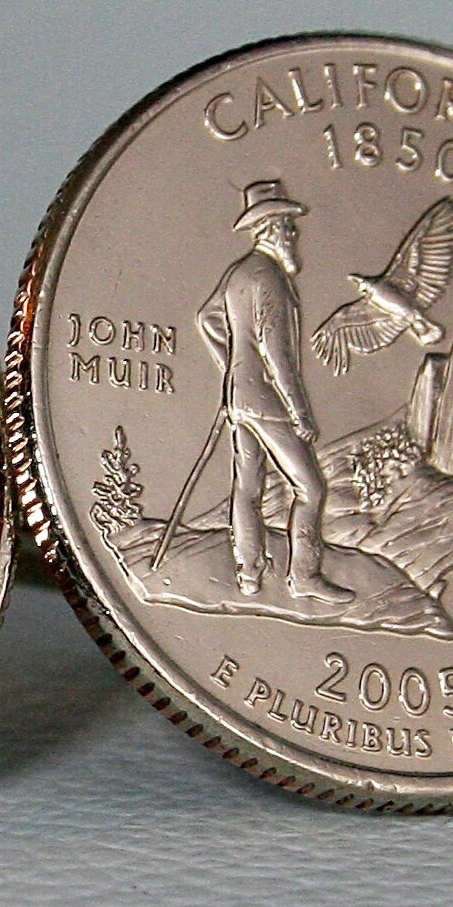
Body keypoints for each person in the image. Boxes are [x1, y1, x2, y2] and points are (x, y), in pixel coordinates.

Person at [198, 182, 350, 604]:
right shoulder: (271, 279)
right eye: (289, 226)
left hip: (239, 398)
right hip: (268, 401)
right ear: (271, 229)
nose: (294, 235)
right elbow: (276, 353)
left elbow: (207, 319)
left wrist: (232, 368)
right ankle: (304, 576)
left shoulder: (239, 272)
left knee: (248, 485)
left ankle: (248, 574)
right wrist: (300, 411)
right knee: (310, 488)